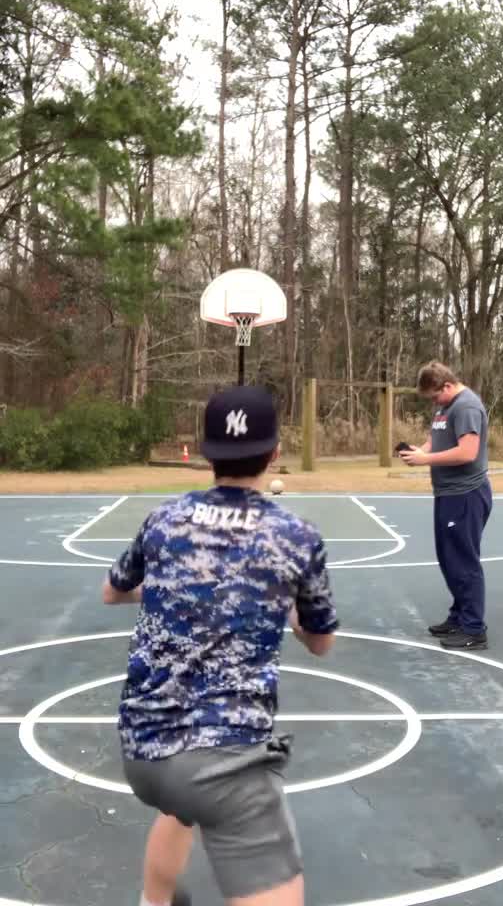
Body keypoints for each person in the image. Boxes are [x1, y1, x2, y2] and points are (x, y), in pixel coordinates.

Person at [102, 385, 339, 906]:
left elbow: (112, 591)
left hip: (143, 749)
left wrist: (171, 587)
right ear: (276, 452)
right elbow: (321, 642)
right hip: (225, 760)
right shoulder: (296, 537)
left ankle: (154, 901)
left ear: (205, 451)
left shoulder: (162, 519)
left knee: (180, 804)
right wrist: (292, 617)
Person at [399, 361, 492, 650]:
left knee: (463, 561)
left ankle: (474, 628)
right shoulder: (446, 407)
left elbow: (467, 452)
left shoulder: (466, 407)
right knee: (449, 558)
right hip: (447, 493)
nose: (434, 402)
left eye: (435, 396)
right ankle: (459, 616)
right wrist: (421, 450)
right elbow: (438, 436)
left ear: (447, 386)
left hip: (466, 494)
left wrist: (426, 461)